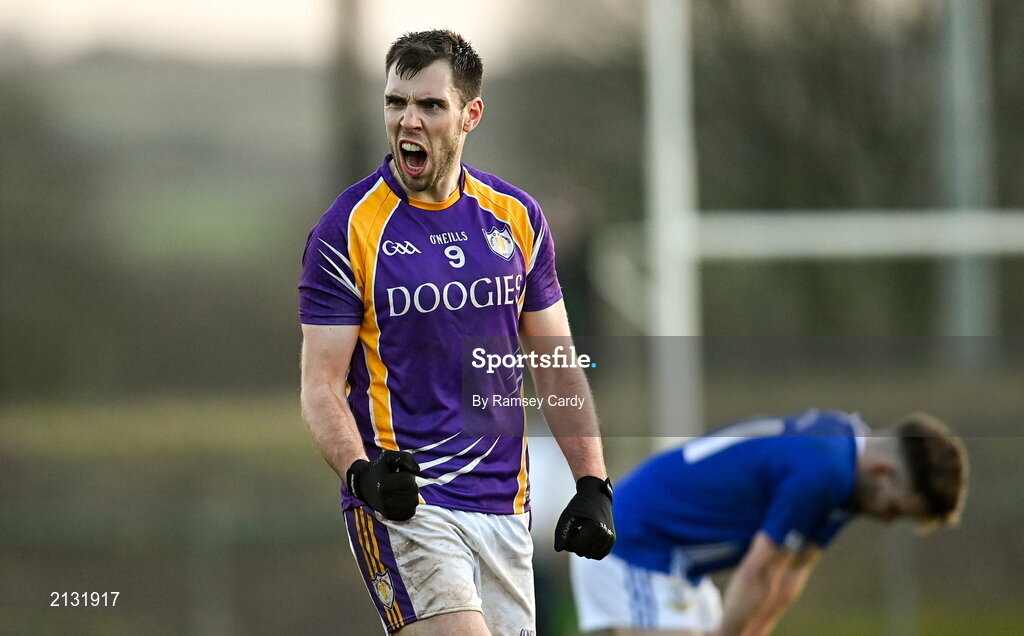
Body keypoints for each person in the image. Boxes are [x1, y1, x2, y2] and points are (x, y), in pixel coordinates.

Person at [298, 30, 614, 635]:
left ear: (471, 115)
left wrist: (594, 482)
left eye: (430, 104)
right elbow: (320, 386)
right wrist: (362, 474)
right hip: (408, 504)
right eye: (396, 102)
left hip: (505, 508)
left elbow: (557, 367)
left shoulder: (516, 218)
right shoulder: (346, 231)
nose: (408, 120)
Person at [570, 409, 968, 636]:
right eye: (896, 509)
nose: (889, 520)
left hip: (678, 566)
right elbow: (759, 572)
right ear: (883, 472)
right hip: (636, 543)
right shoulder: (825, 470)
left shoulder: (847, 466)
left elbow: (793, 570)